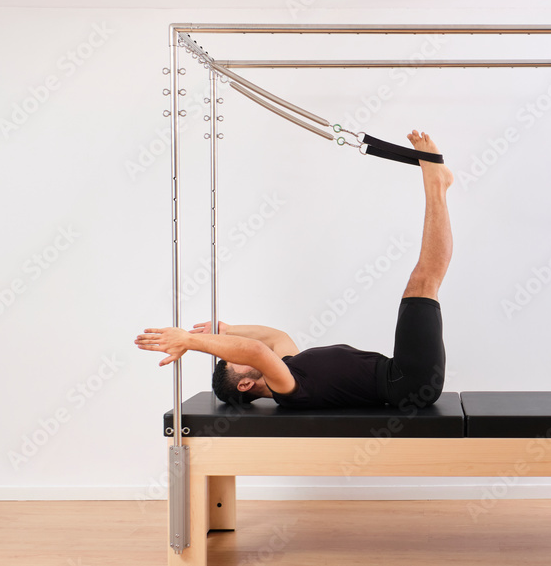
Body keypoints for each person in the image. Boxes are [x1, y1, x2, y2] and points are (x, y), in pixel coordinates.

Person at [135, 130, 453, 410]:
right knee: (424, 281)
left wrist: (227, 331)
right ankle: (436, 187)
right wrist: (189, 343)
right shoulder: (286, 389)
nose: (235, 352)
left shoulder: (291, 366)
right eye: (235, 360)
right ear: (245, 384)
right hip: (407, 382)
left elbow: (275, 337)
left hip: (402, 374)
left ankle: (438, 186)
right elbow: (257, 351)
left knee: (424, 281)